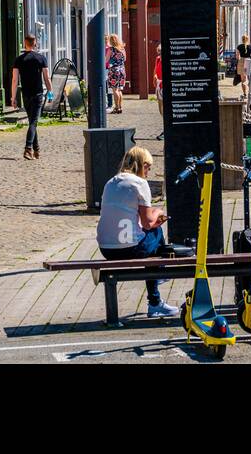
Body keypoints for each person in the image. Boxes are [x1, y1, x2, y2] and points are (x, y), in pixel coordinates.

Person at [96, 147, 179, 319]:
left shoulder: (110, 182)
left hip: (106, 248)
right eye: (148, 167)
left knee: (149, 236)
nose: (148, 172)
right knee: (156, 232)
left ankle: (158, 285)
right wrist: (158, 213)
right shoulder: (140, 184)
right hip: (129, 248)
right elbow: (149, 223)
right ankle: (158, 285)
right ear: (142, 165)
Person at [11, 34, 51, 160]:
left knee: (32, 122)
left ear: (25, 43)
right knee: (33, 122)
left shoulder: (19, 60)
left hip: (26, 94)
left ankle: (36, 149)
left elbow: (14, 80)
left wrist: (13, 97)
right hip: (38, 93)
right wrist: (50, 92)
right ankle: (28, 148)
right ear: (35, 43)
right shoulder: (41, 58)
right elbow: (46, 77)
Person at [105, 34, 127, 115]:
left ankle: (117, 107)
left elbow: (106, 60)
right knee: (120, 89)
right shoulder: (122, 48)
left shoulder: (111, 49)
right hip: (122, 70)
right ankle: (120, 107)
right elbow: (125, 59)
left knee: (115, 90)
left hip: (114, 70)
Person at [236, 34, 251, 98]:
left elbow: (237, 57)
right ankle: (250, 92)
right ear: (248, 40)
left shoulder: (239, 47)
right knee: (249, 78)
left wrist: (240, 59)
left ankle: (245, 94)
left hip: (241, 62)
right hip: (248, 61)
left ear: (242, 40)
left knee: (243, 80)